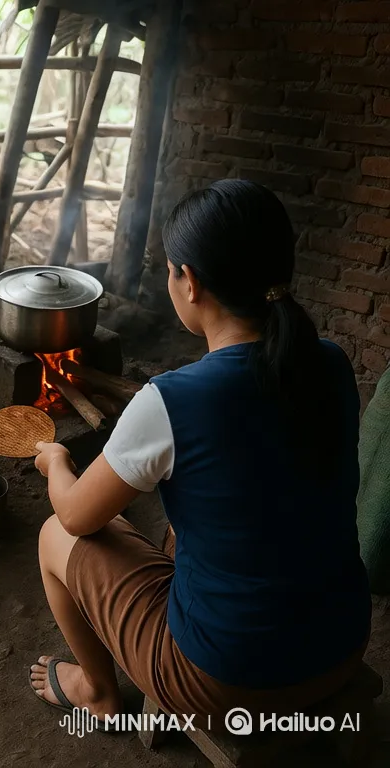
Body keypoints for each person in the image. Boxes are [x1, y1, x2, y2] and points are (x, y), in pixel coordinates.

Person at [29, 179, 372, 732]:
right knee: (190, 523)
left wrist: (57, 462)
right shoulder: (330, 363)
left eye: (169, 269)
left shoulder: (172, 399)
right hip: (339, 646)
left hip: (227, 682)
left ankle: (96, 693)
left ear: (189, 282)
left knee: (55, 534)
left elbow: (75, 515)